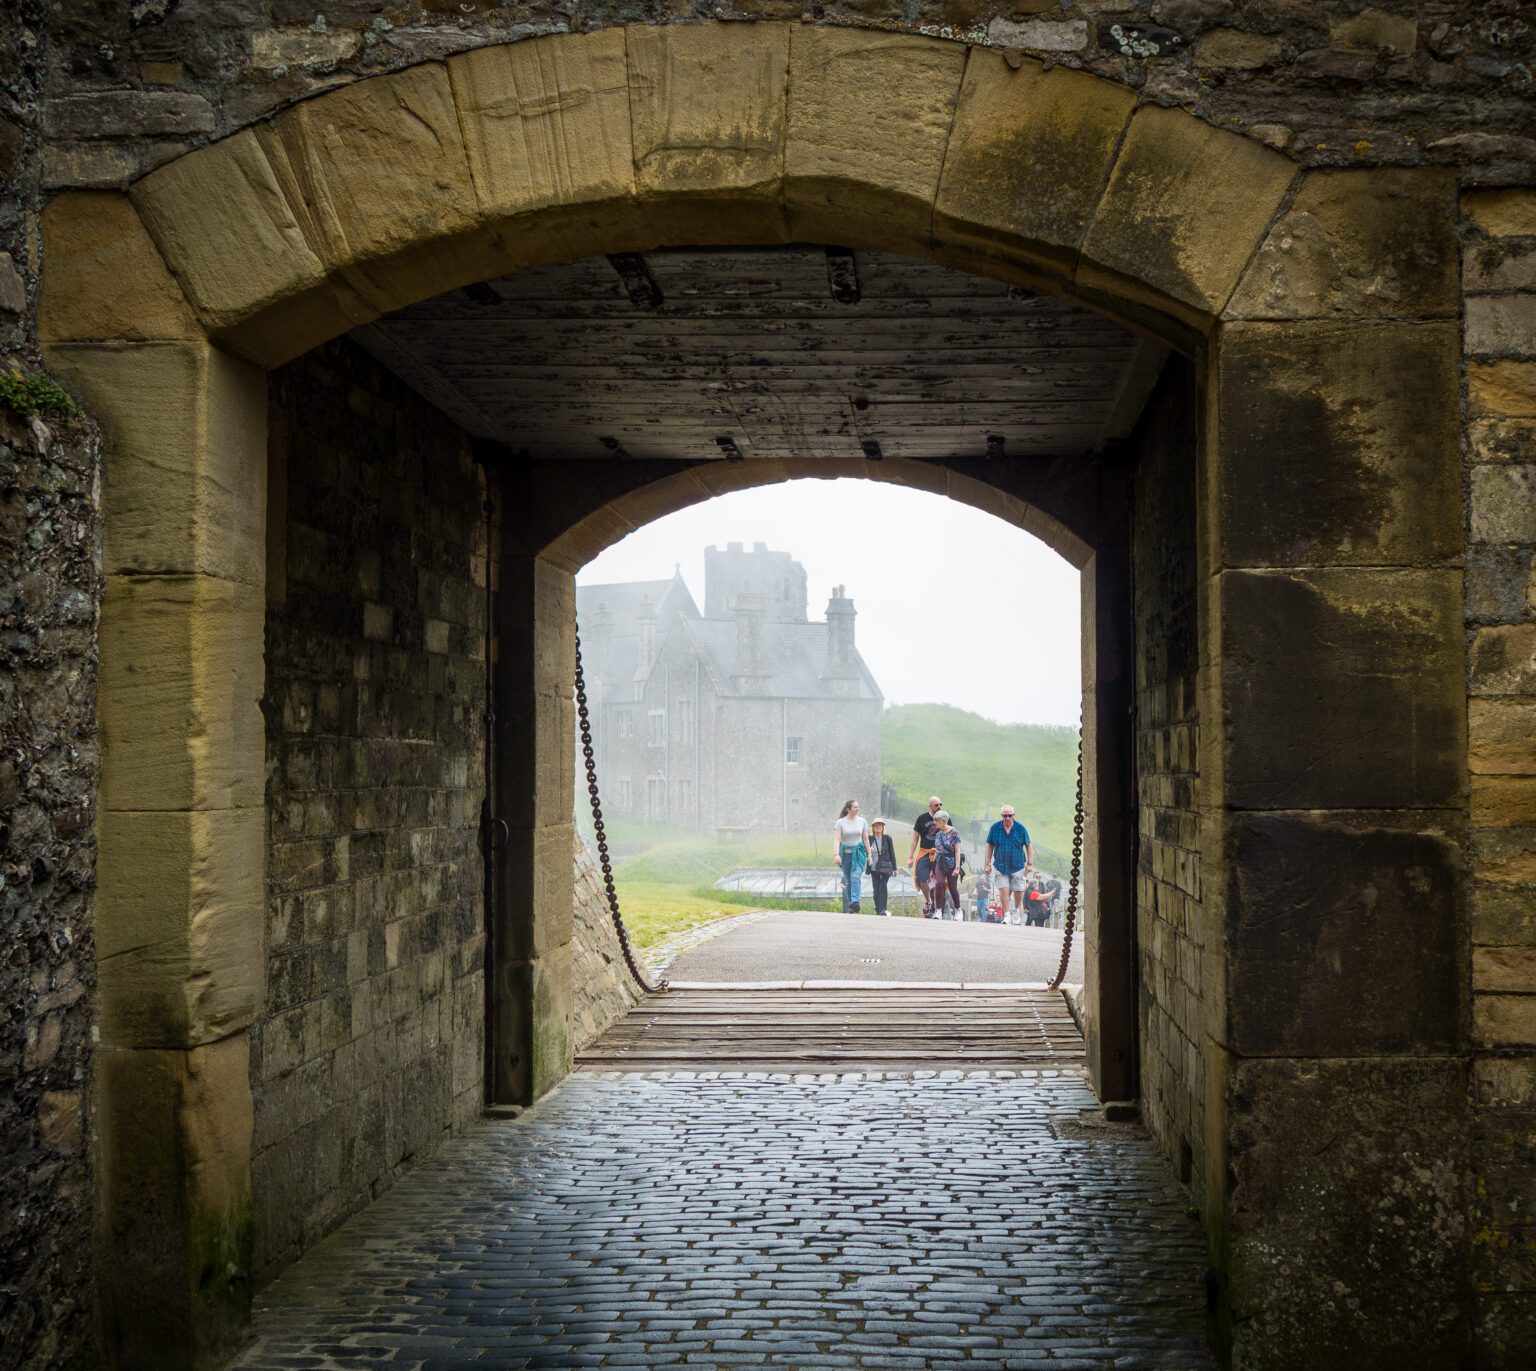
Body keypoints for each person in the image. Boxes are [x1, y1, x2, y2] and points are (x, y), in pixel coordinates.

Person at [984, 804, 1033, 924]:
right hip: (1000, 865)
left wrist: (1029, 863)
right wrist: (987, 863)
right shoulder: (995, 828)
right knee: (1003, 890)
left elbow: (1028, 845)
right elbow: (990, 845)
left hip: (1018, 865)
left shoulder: (1020, 828)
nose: (1007, 818)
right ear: (1001, 816)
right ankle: (1006, 915)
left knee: (1019, 890)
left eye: (1009, 815)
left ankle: (1015, 911)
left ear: (1013, 815)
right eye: (1005, 816)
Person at [907, 796, 942, 917]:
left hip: (939, 853)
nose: (939, 807)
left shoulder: (944, 818)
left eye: (940, 804)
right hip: (925, 852)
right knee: (921, 877)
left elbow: (950, 835)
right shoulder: (922, 819)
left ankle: (938, 907)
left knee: (940, 880)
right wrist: (910, 857)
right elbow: (915, 839)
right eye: (936, 805)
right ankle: (928, 901)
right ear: (930, 806)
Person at [833, 799, 869, 913]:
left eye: (858, 807)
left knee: (855, 878)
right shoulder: (840, 823)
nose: (857, 809)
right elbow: (837, 839)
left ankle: (855, 901)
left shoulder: (862, 821)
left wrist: (869, 854)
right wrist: (836, 855)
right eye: (855, 807)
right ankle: (851, 905)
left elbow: (865, 839)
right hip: (845, 855)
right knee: (848, 881)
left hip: (858, 854)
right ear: (848, 809)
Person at [930, 810, 963, 920]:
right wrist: (932, 867)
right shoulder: (938, 834)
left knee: (952, 887)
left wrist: (957, 867)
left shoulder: (954, 832)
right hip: (940, 861)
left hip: (952, 862)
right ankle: (938, 910)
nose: (935, 823)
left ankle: (958, 910)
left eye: (937, 821)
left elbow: (957, 850)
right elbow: (937, 850)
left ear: (944, 821)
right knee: (939, 883)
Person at [866, 818, 897, 917]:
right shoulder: (869, 839)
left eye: (880, 825)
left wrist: (895, 868)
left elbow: (892, 853)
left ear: (883, 827)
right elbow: (864, 851)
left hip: (886, 867)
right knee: (876, 889)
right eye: (876, 825)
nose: (878, 827)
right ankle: (878, 909)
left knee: (883, 887)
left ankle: (883, 909)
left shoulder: (887, 838)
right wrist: (868, 850)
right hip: (874, 867)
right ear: (873, 827)